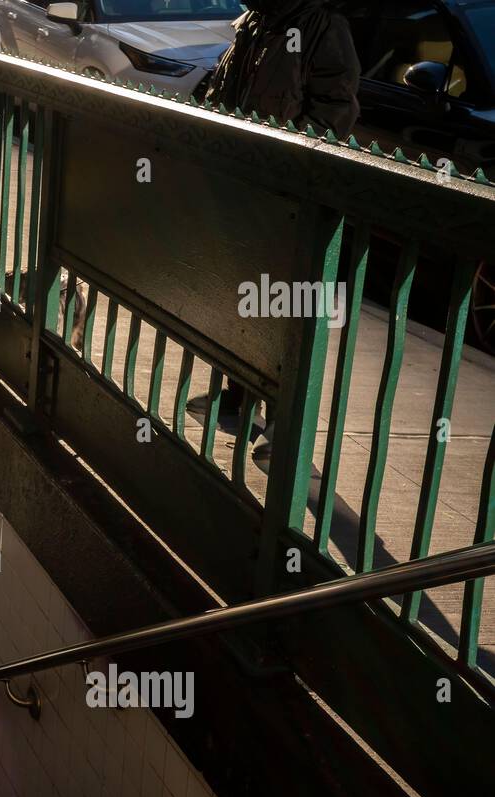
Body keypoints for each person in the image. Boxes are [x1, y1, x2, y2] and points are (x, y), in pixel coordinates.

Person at [192, 0, 361, 462]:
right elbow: (224, 93)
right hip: (242, 192)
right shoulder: (254, 21)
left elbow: (335, 115)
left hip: (287, 200)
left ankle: (284, 423)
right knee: (238, 297)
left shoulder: (322, 25)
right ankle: (238, 395)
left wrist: (282, 161)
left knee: (282, 310)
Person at [206, 0, 361, 140]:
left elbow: (336, 107)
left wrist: (293, 152)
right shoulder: (253, 21)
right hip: (232, 152)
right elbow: (221, 88)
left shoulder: (321, 24)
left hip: (272, 160)